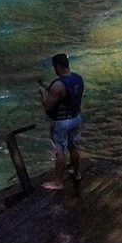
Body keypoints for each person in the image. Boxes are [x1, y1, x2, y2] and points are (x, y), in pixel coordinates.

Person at [39, 52, 84, 190]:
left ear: (58, 66)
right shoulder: (78, 78)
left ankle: (57, 182)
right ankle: (77, 173)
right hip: (76, 119)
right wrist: (51, 91)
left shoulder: (58, 85)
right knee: (74, 147)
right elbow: (68, 97)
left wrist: (42, 95)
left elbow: (48, 106)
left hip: (61, 123)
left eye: (54, 66)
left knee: (60, 151)